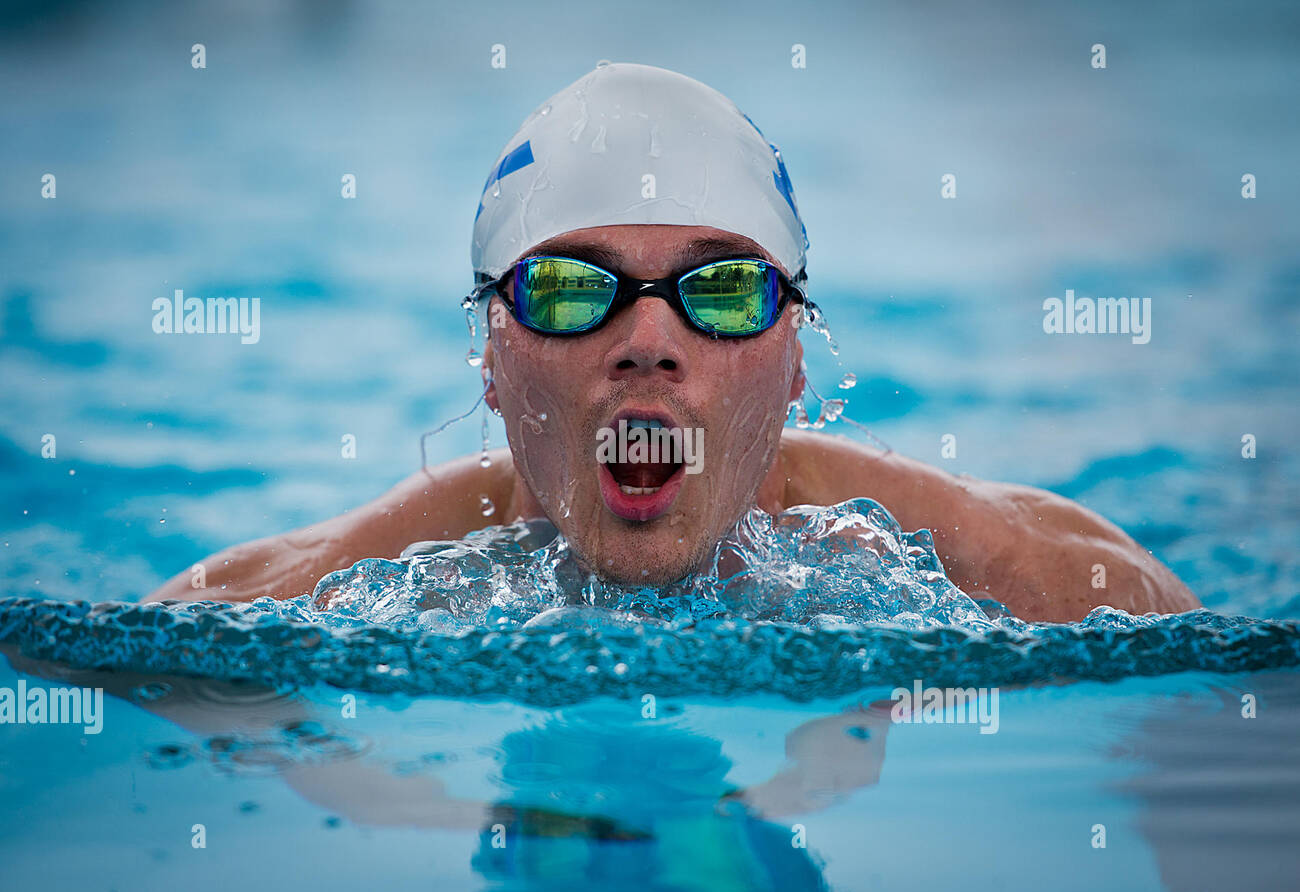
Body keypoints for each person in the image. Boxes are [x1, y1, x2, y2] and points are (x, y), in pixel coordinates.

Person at [147, 63, 1198, 623]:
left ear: (793, 360)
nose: (648, 339)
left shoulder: (1030, 583)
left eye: (722, 288)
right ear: (491, 357)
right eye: (569, 290)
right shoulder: (309, 601)